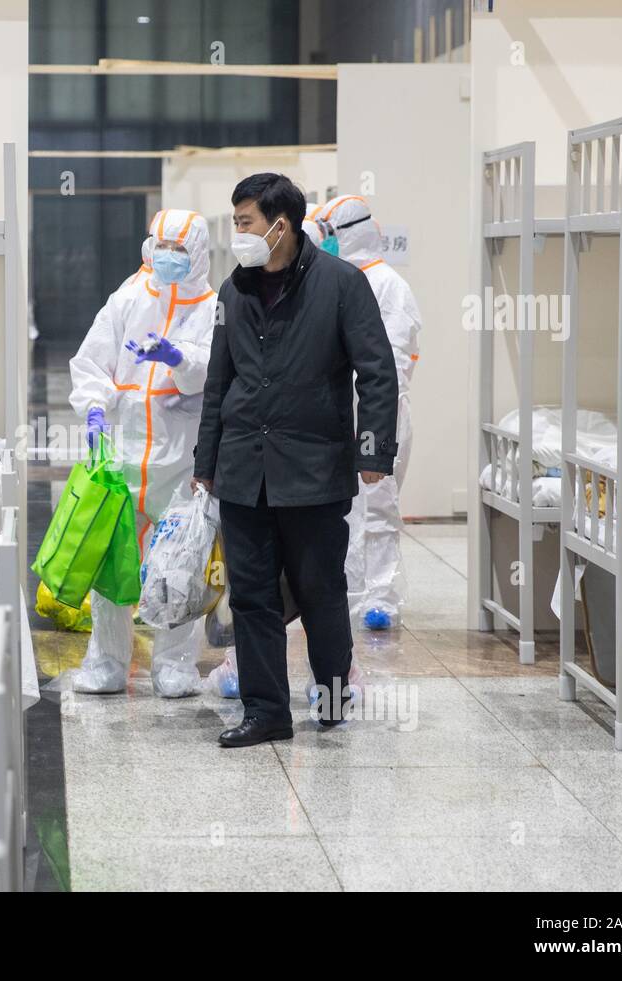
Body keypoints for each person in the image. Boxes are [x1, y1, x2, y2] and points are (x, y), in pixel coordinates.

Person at [192, 174, 398, 747]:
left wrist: (373, 450)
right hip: (243, 471)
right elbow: (218, 382)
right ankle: (266, 713)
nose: (238, 234)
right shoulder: (233, 292)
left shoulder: (341, 285)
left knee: (319, 591)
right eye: (234, 223)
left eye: (245, 222)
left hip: (313, 470)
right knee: (252, 597)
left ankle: (332, 697)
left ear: (281, 224)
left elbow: (377, 370)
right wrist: (204, 462)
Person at [67, 209, 220, 697]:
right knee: (113, 561)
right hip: (125, 452)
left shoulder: (213, 307)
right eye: (162, 245)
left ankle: (174, 664)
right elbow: (92, 360)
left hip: (181, 456)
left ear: (197, 254)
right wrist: (94, 410)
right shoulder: (128, 298)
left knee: (180, 564)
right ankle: (108, 661)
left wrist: (179, 359)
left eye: (180, 249)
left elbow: (213, 374)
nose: (169, 256)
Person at [316, 195, 422, 630]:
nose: (322, 242)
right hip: (337, 414)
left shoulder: (388, 286)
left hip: (378, 414)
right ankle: (348, 590)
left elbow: (391, 363)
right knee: (344, 508)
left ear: (349, 233)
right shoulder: (330, 280)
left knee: (377, 505)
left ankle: (381, 597)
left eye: (327, 233)